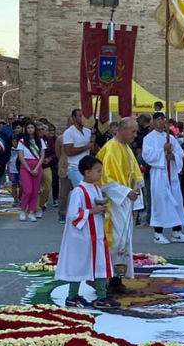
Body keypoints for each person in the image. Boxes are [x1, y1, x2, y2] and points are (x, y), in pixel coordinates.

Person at [98, 117, 145, 297]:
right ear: (122, 130)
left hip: (124, 202)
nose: (135, 135)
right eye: (133, 131)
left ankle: (117, 280)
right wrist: (126, 192)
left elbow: (133, 175)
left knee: (123, 242)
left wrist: (133, 195)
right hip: (113, 204)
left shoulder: (125, 148)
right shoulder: (111, 149)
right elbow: (106, 180)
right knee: (116, 242)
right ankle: (107, 280)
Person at [56, 156, 112, 302]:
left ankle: (102, 296)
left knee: (100, 263)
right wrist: (92, 211)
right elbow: (73, 215)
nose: (101, 174)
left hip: (97, 234)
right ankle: (72, 296)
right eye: (98, 171)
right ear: (87, 173)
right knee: (79, 265)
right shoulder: (78, 191)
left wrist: (101, 210)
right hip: (82, 235)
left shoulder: (96, 189)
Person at [140, 113, 184, 244]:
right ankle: (158, 233)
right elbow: (147, 155)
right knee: (160, 202)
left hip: (171, 174)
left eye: (162, 119)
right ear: (153, 121)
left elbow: (179, 153)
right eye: (157, 119)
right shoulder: (149, 138)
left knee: (176, 201)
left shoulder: (171, 138)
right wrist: (162, 150)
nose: (160, 122)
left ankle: (176, 232)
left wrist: (173, 156)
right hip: (159, 173)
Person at [16, 122, 44, 222]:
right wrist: (29, 169)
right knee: (28, 190)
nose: (30, 129)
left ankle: (31, 212)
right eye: (28, 127)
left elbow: (42, 156)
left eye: (32, 127)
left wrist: (36, 168)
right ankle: (23, 210)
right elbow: (21, 157)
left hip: (37, 166)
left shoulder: (40, 141)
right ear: (26, 129)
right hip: (26, 167)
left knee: (35, 191)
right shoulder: (22, 141)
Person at [40, 123, 59, 213]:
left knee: (48, 186)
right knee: (37, 187)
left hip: (48, 165)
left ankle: (45, 200)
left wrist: (49, 158)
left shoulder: (49, 140)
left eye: (42, 129)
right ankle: (38, 206)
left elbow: (54, 152)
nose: (41, 131)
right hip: (35, 166)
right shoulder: (32, 140)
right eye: (39, 129)